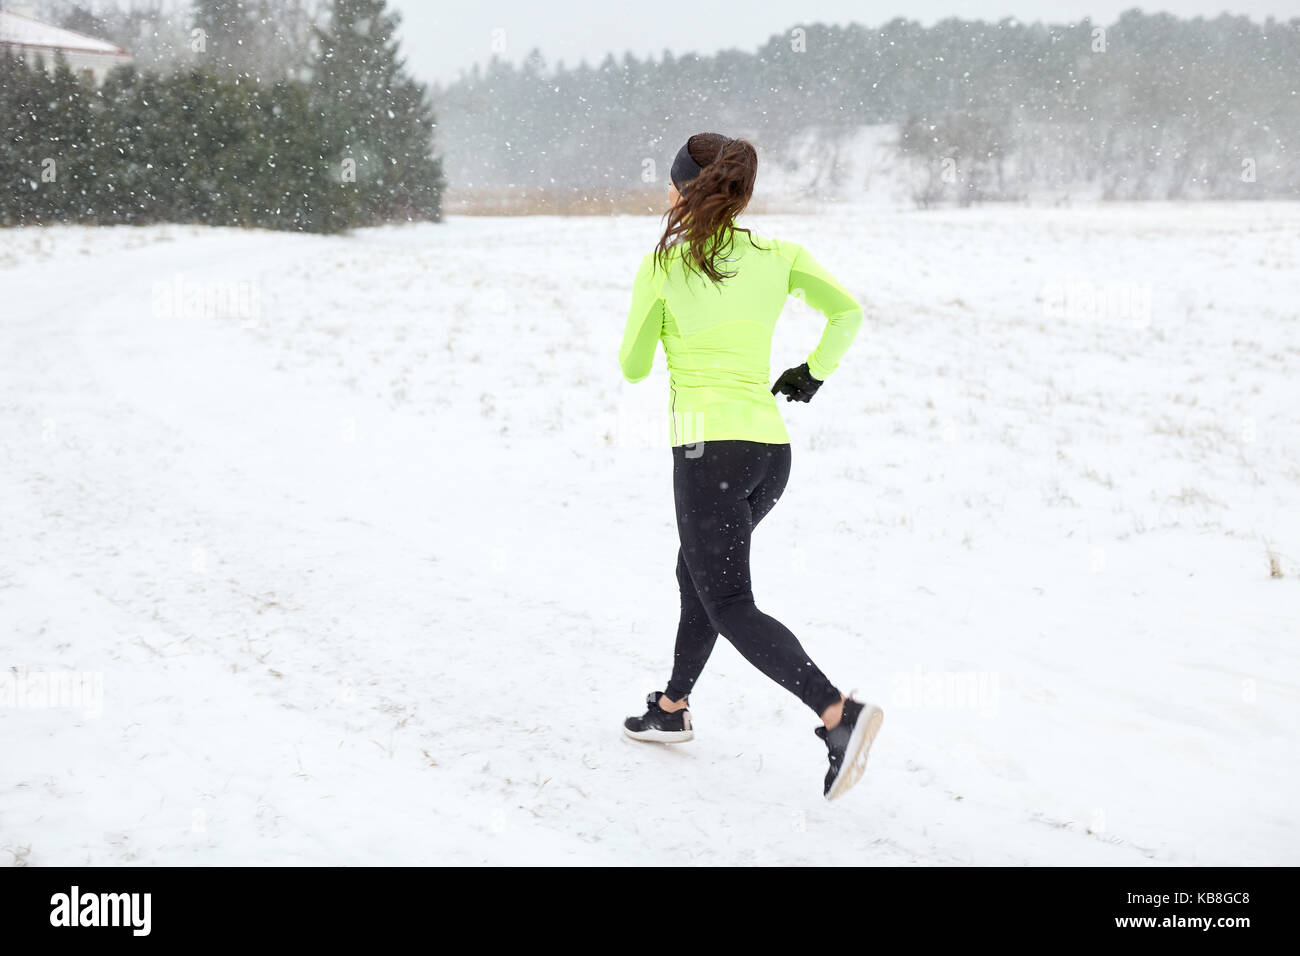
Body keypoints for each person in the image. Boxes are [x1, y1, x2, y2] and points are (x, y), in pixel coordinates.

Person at [617, 132, 884, 801]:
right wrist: (811, 373)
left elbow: (633, 365)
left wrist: (663, 318)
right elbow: (847, 313)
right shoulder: (779, 255)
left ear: (684, 189)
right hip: (769, 455)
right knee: (699, 574)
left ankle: (837, 714)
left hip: (708, 456)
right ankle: (672, 708)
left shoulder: (664, 265)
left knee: (729, 600)